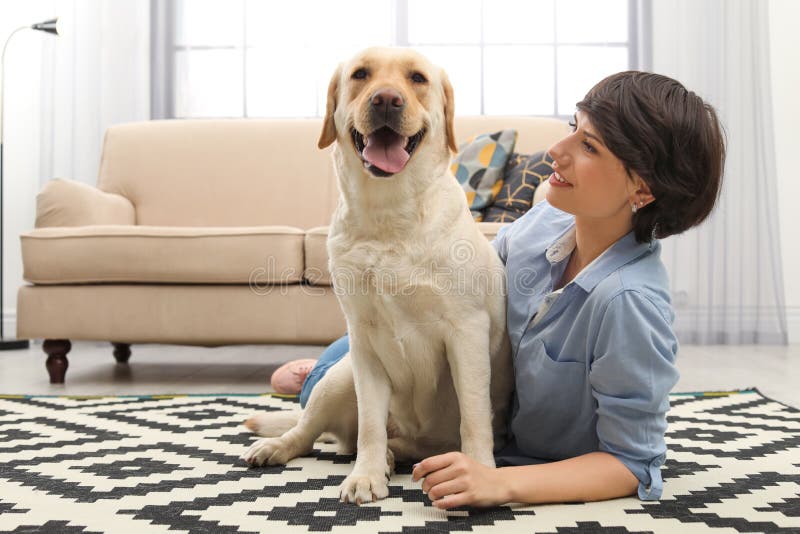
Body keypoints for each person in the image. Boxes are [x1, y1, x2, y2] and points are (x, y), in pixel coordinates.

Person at [269, 71, 726, 508]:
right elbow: (466, 291)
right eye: (573, 127)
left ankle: (317, 373)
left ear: (641, 190)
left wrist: (501, 483)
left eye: (588, 146)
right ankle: (322, 370)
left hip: (468, 415)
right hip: (421, 369)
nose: (556, 150)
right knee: (352, 359)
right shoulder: (545, 223)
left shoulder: (629, 304)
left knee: (328, 378)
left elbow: (633, 464)